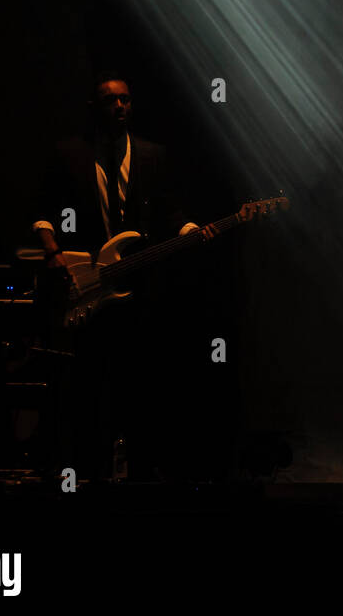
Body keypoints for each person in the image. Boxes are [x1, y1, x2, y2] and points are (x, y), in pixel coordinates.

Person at [33, 71, 213, 481]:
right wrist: (52, 253)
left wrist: (189, 231)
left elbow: (170, 210)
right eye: (111, 100)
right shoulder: (69, 154)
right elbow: (43, 212)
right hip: (89, 290)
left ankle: (141, 474)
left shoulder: (153, 154)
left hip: (139, 289)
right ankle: (85, 471)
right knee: (87, 386)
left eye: (126, 99)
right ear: (94, 107)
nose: (120, 106)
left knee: (141, 384)